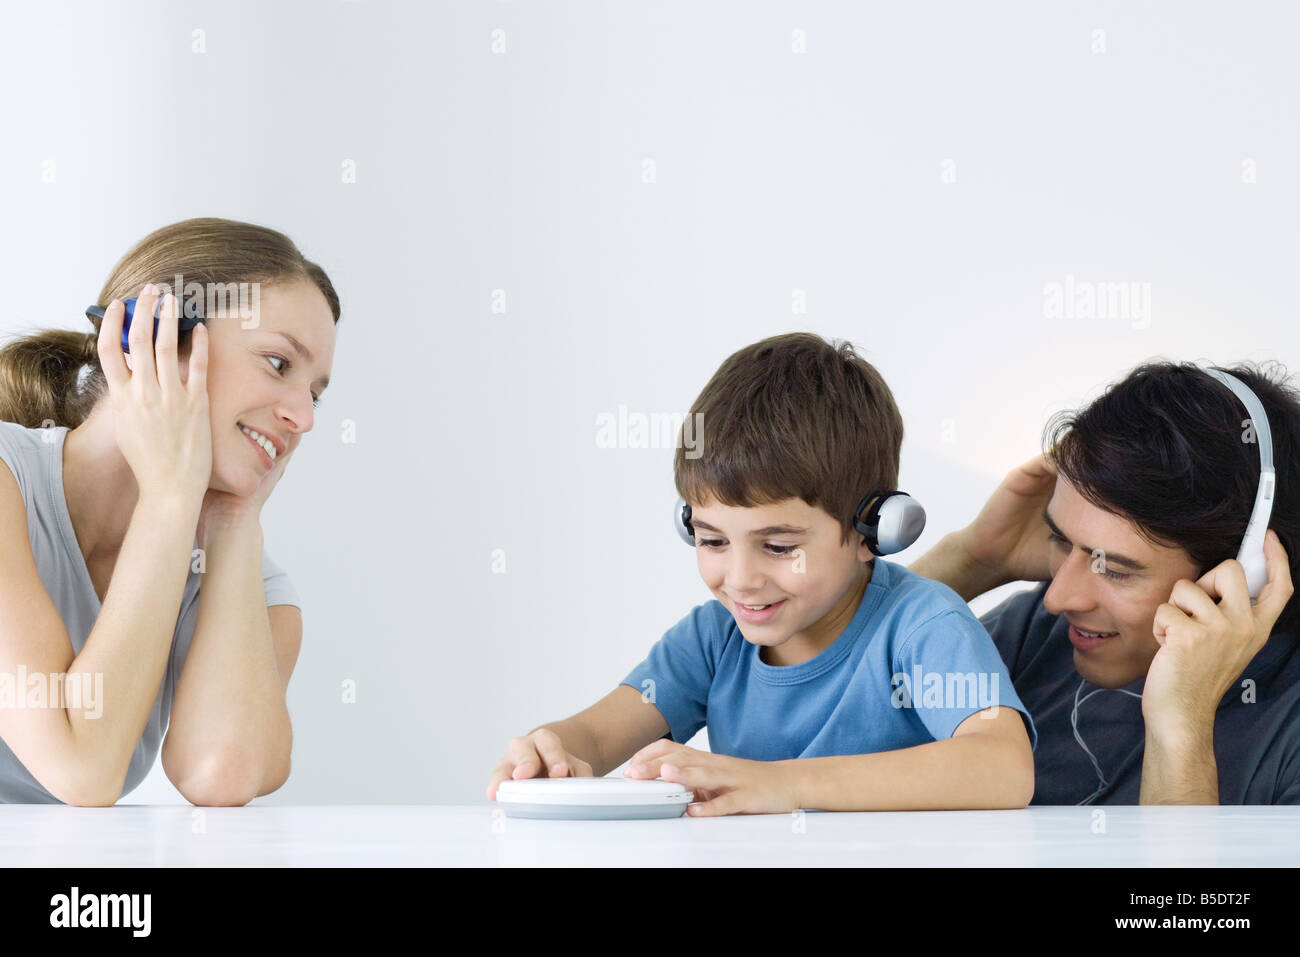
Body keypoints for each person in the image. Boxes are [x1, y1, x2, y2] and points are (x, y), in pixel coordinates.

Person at [488, 332, 1036, 815]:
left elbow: (1003, 766)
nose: (740, 579)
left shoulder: (921, 626)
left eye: (777, 546)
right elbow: (592, 736)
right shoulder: (713, 640)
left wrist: (783, 784)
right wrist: (552, 748)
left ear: (874, 530)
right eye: (712, 540)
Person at [0, 218, 339, 806]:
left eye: (314, 394)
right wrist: (168, 498)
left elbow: (221, 774)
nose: (303, 419)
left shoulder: (259, 595)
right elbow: (80, 766)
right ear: (153, 335)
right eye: (279, 364)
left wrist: (233, 523)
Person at [910, 361, 1300, 804]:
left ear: (1244, 572)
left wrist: (1180, 725)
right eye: (1059, 539)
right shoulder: (1035, 635)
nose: (1057, 598)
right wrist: (970, 561)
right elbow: (827, 725)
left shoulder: (1287, 733)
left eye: (1114, 570)